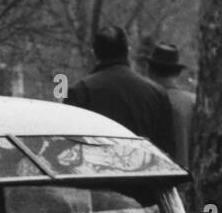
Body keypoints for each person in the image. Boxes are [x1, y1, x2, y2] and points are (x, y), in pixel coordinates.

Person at [64, 26, 176, 159]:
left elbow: (68, 149)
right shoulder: (157, 93)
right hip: (144, 173)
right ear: (127, 51)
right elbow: (167, 150)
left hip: (95, 173)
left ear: (94, 53)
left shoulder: (80, 91)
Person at [140, 41, 195, 170]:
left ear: (150, 71)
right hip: (191, 178)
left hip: (156, 175)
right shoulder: (193, 102)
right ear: (177, 73)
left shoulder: (145, 101)